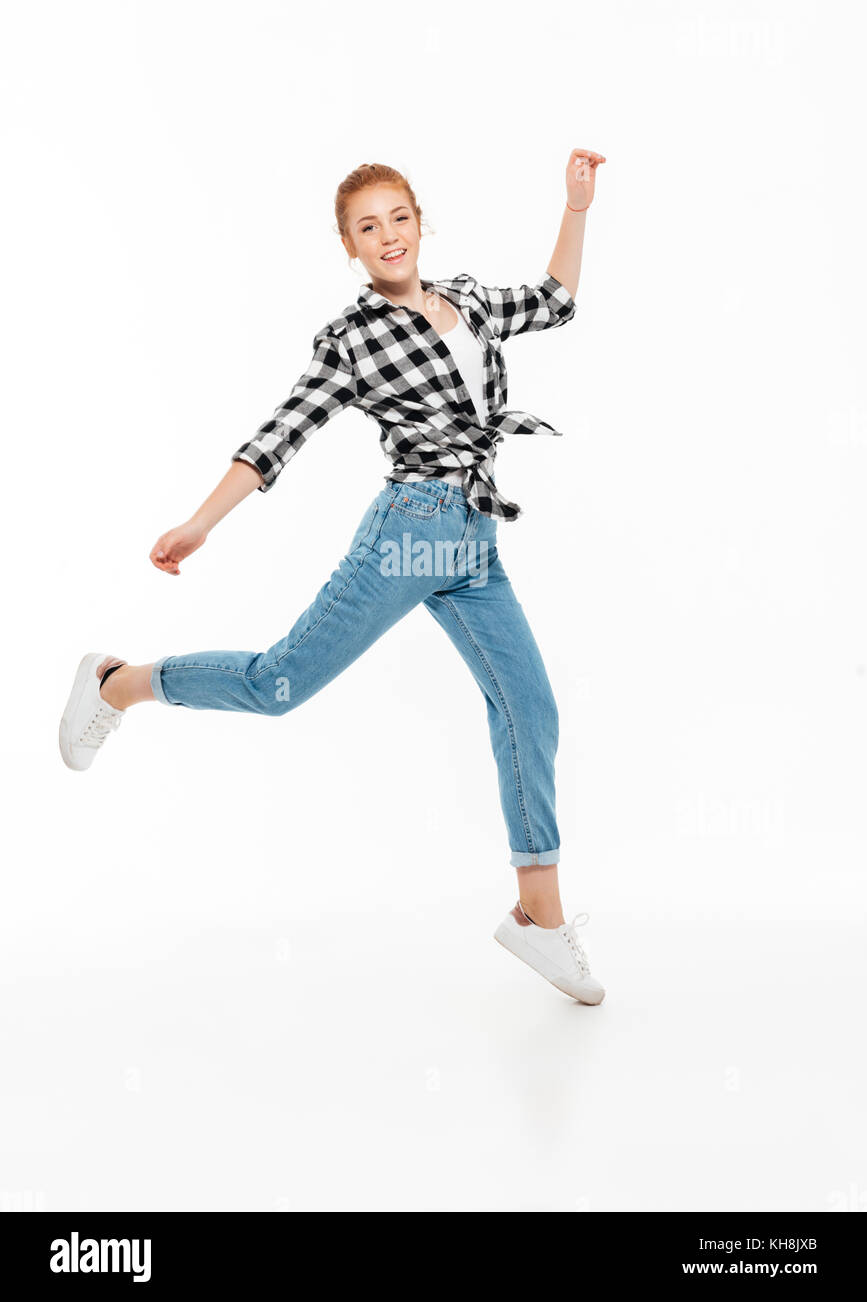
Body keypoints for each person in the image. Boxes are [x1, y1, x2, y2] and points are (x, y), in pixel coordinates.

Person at [59, 148, 608, 1005]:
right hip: (412, 532)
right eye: (367, 227)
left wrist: (574, 207)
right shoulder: (352, 338)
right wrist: (202, 521)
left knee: (528, 708)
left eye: (398, 218)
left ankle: (539, 917)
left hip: (472, 538)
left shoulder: (467, 302)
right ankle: (115, 683)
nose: (387, 236)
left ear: (421, 223)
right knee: (281, 682)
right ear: (348, 246)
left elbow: (556, 300)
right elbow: (280, 433)